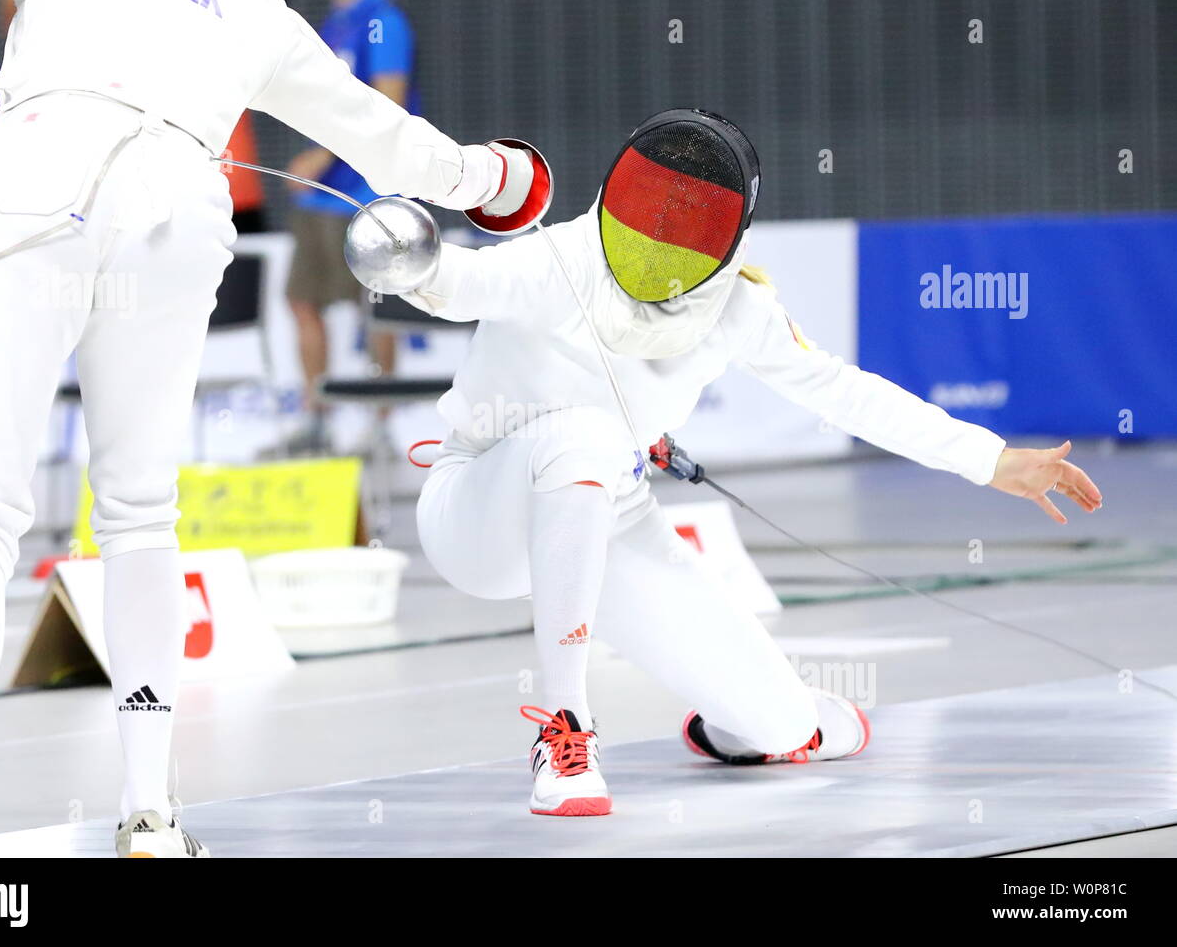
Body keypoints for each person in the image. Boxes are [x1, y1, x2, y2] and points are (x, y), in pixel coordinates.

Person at [0, 0, 544, 857]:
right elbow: (385, 138)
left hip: (35, 168)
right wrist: (500, 180)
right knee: (140, 511)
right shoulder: (258, 15)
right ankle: (151, 814)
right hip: (179, 201)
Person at [399, 109, 1103, 816]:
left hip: (610, 515)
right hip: (478, 513)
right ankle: (565, 732)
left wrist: (990, 460)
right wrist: (402, 253)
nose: (667, 226)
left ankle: (766, 715)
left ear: (728, 231)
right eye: (657, 200)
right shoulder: (551, 261)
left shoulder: (737, 307)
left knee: (786, 731)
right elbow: (451, 281)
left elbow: (841, 392)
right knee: (580, 434)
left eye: (692, 212)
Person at [282, 0, 420, 454]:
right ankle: (318, 416)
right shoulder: (336, 22)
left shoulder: (383, 22)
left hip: (365, 195)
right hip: (323, 200)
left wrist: (321, 156)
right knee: (302, 301)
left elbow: (390, 106)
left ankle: (380, 424)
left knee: (377, 309)